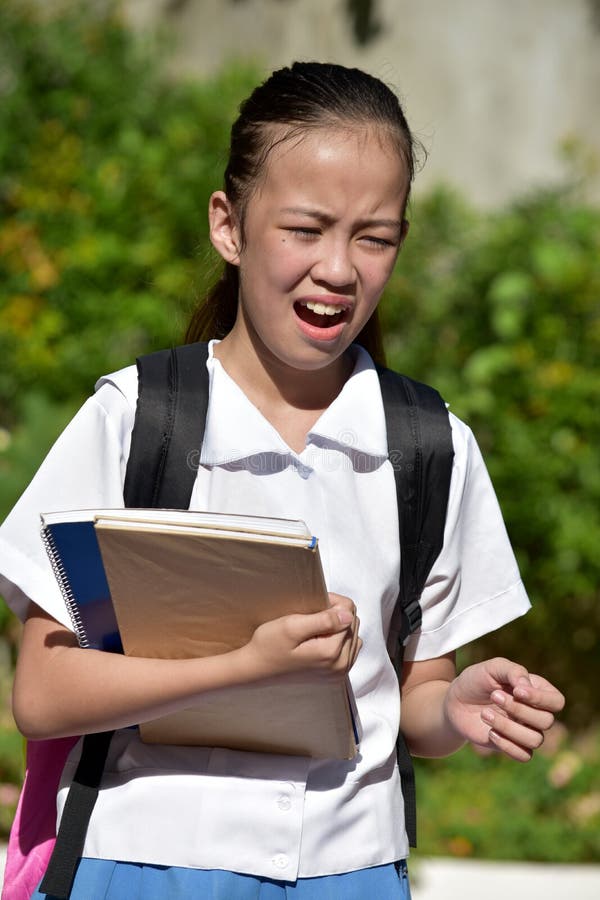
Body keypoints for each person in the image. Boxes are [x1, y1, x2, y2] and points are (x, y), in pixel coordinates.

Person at [0, 62, 564, 900]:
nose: (339, 268)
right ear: (229, 227)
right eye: (307, 228)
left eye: (375, 237)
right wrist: (245, 666)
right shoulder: (134, 420)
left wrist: (456, 711)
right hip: (146, 863)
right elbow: (43, 694)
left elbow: (416, 697)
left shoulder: (430, 445)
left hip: (353, 870)